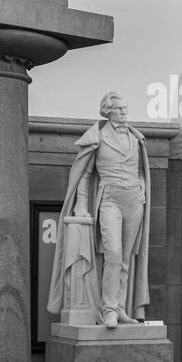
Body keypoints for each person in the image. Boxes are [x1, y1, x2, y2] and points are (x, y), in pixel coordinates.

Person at [47, 91, 151, 328]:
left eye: (125, 108)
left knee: (126, 257)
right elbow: (85, 174)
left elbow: (141, 171)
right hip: (110, 198)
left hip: (134, 200)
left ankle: (121, 307)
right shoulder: (98, 137)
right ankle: (109, 309)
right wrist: (82, 204)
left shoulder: (136, 139)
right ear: (107, 111)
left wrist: (142, 187)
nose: (124, 113)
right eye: (119, 109)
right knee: (113, 253)